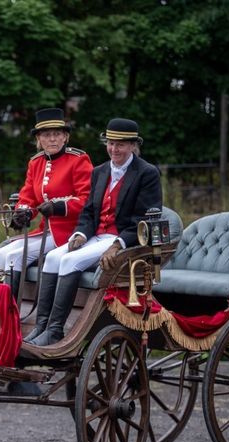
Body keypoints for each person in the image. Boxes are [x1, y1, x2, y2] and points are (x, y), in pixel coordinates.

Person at [26, 118, 163, 346]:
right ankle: (42, 325)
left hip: (120, 239)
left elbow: (145, 220)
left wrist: (118, 244)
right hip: (95, 237)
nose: (114, 149)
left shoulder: (147, 173)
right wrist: (79, 235)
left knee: (70, 261)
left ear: (132, 146)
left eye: (120, 145)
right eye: (110, 144)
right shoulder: (100, 171)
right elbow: (88, 212)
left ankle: (56, 329)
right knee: (51, 258)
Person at [0, 108, 92, 296]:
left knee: (13, 256)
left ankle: (9, 311)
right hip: (45, 231)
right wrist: (23, 212)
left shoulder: (78, 160)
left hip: (69, 232)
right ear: (39, 139)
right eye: (46, 135)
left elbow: (87, 199)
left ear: (65, 137)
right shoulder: (35, 163)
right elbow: (27, 196)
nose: (52, 139)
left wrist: (58, 207)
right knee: (0, 254)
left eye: (57, 134)